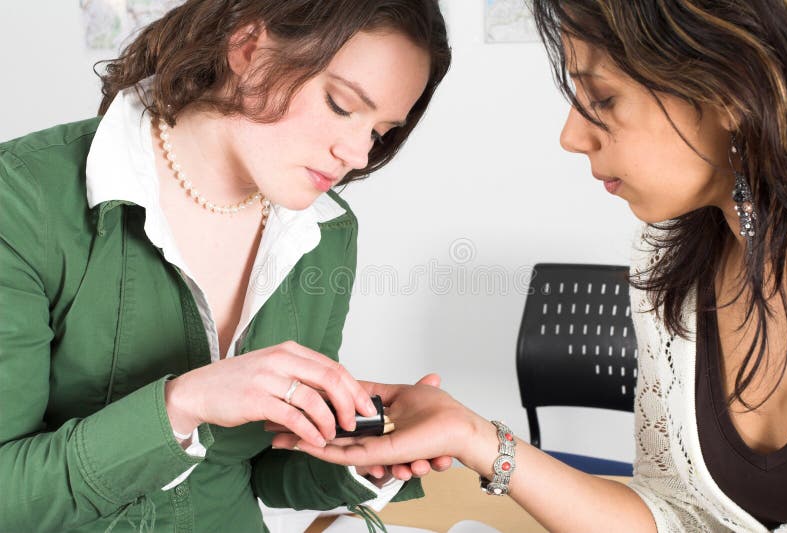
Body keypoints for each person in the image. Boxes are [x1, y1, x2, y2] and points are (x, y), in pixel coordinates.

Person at [271, 1, 787, 531]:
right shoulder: (670, 262)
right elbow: (685, 517)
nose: (571, 136)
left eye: (604, 98)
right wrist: (471, 435)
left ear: (732, 90)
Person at [0, 1, 451, 532]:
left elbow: (265, 468)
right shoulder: (24, 200)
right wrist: (183, 404)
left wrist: (371, 454)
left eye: (379, 131)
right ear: (248, 49)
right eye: (341, 104)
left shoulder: (326, 231)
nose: (357, 153)